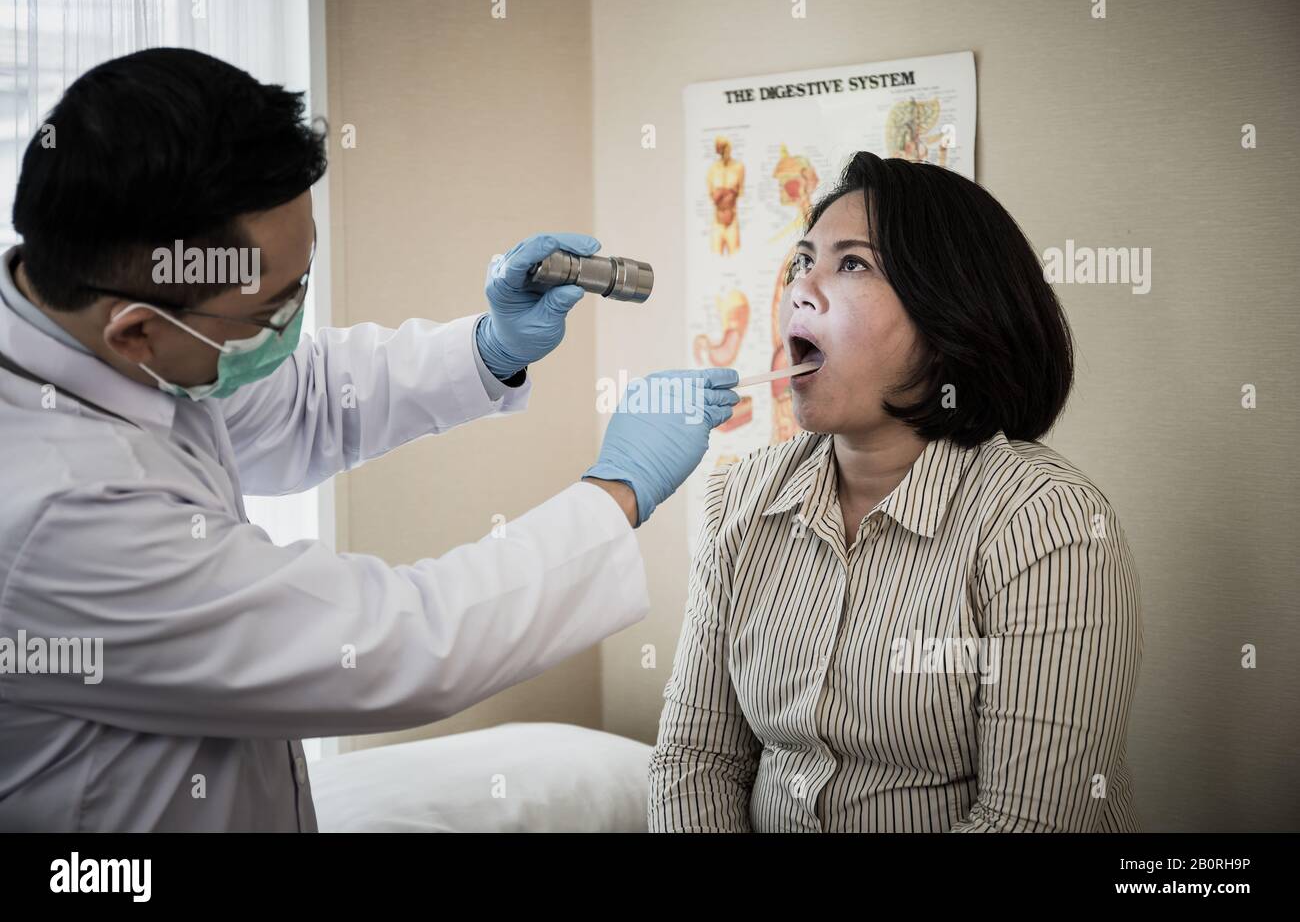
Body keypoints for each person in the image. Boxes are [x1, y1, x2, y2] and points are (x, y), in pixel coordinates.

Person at [0, 47, 737, 831]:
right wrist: (617, 491)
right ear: (139, 331)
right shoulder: (57, 509)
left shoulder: (119, 348)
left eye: (302, 280)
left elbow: (306, 399)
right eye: (273, 310)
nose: (293, 325)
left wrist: (489, 348)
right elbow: (401, 643)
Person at [648, 151, 1143, 832]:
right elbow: (695, 760)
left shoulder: (1045, 522)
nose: (801, 289)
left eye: (852, 264)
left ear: (950, 315)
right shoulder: (741, 497)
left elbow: (1028, 824)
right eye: (802, 262)